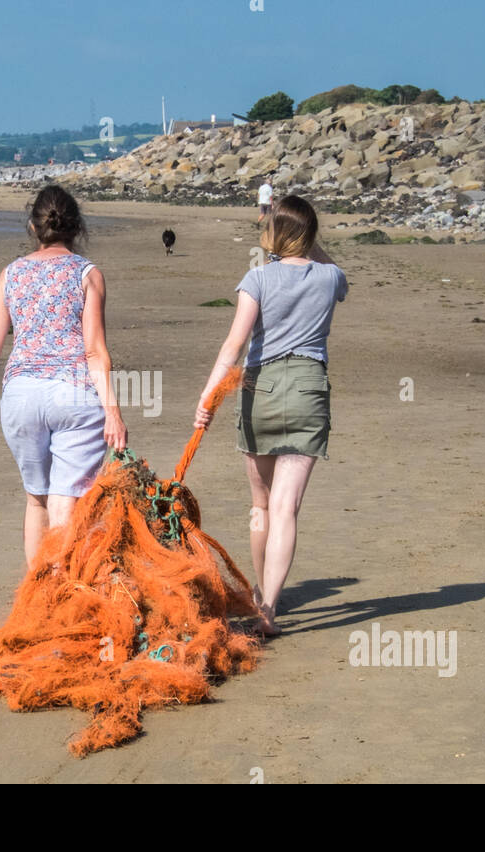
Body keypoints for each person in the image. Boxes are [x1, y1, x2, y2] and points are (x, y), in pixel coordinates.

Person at [194, 195, 347, 636]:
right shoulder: (329, 277)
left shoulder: (257, 277)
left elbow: (233, 345)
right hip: (307, 389)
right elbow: (338, 277)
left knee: (261, 505)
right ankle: (268, 608)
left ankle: (262, 594)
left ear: (273, 235)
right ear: (312, 236)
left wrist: (208, 397)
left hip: (258, 390)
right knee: (285, 509)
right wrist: (308, 244)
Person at [0, 185, 127, 567]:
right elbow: (95, 351)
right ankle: (66, 594)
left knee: (37, 498)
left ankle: (37, 597)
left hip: (21, 396)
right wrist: (113, 413)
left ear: (33, 228)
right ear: (76, 227)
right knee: (66, 501)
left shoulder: (11, 274)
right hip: (75, 395)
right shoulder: (87, 273)